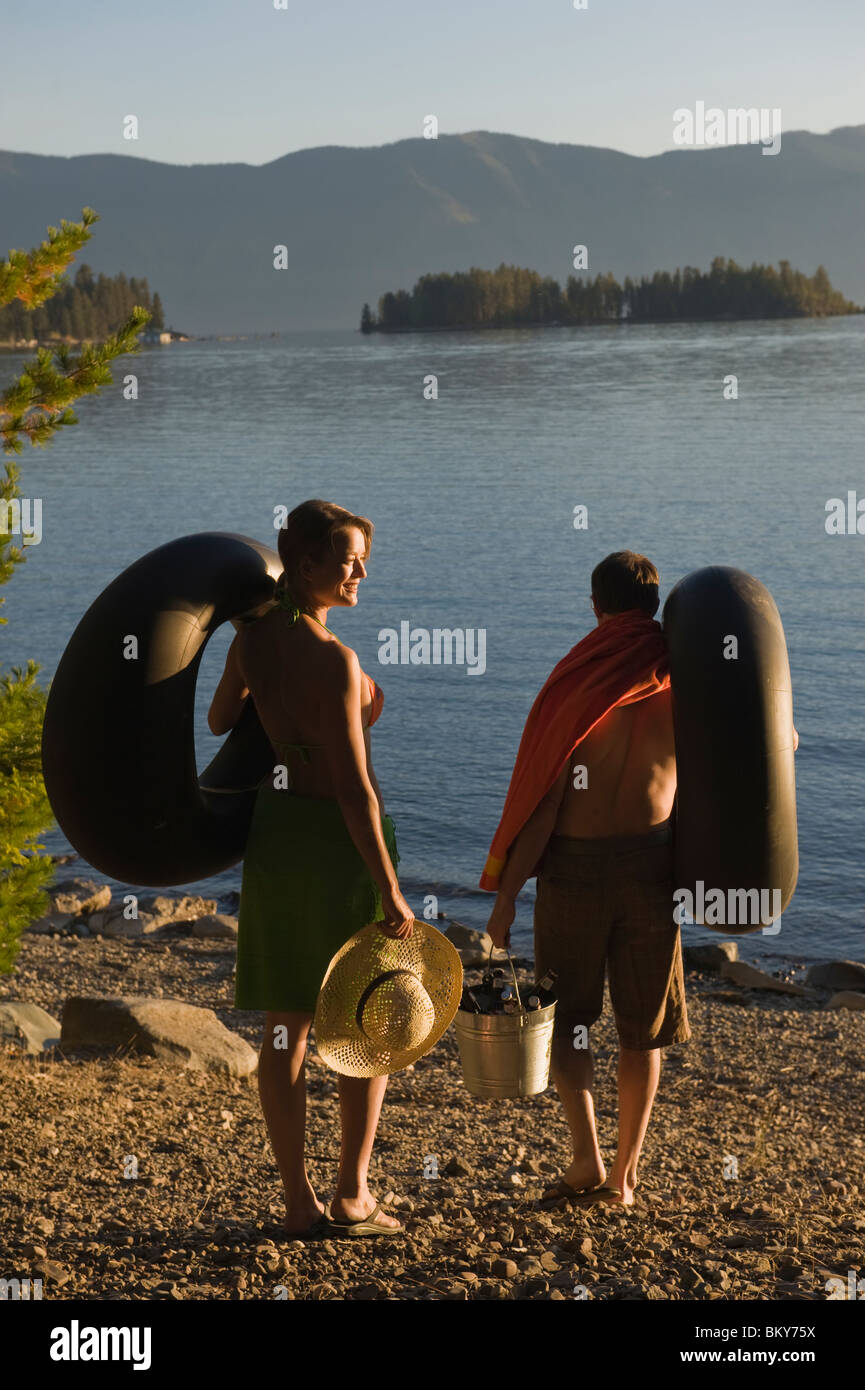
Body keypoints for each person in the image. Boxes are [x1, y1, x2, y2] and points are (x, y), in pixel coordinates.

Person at [208, 499, 414, 1237]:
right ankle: (353, 1196)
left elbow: (220, 721)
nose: (360, 569)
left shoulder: (254, 641)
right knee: (370, 1018)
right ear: (301, 563)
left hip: (278, 834)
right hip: (337, 841)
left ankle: (298, 1203)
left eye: (363, 557)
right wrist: (389, 886)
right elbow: (354, 787)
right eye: (347, 556)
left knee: (284, 1027)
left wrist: (256, 669)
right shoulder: (334, 661)